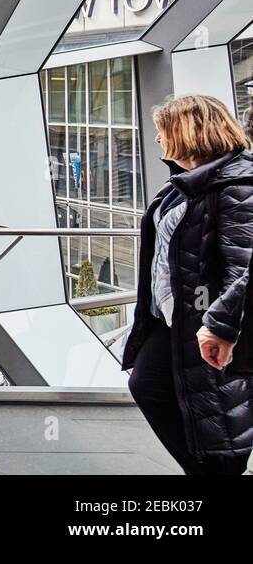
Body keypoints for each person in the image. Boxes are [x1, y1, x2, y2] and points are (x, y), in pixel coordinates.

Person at [122, 94, 253, 475]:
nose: (159, 141)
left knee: (216, 410)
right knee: (153, 386)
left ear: (188, 132)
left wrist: (219, 324)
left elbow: (242, 266)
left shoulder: (238, 185)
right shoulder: (188, 184)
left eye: (163, 132)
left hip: (209, 320)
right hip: (177, 319)